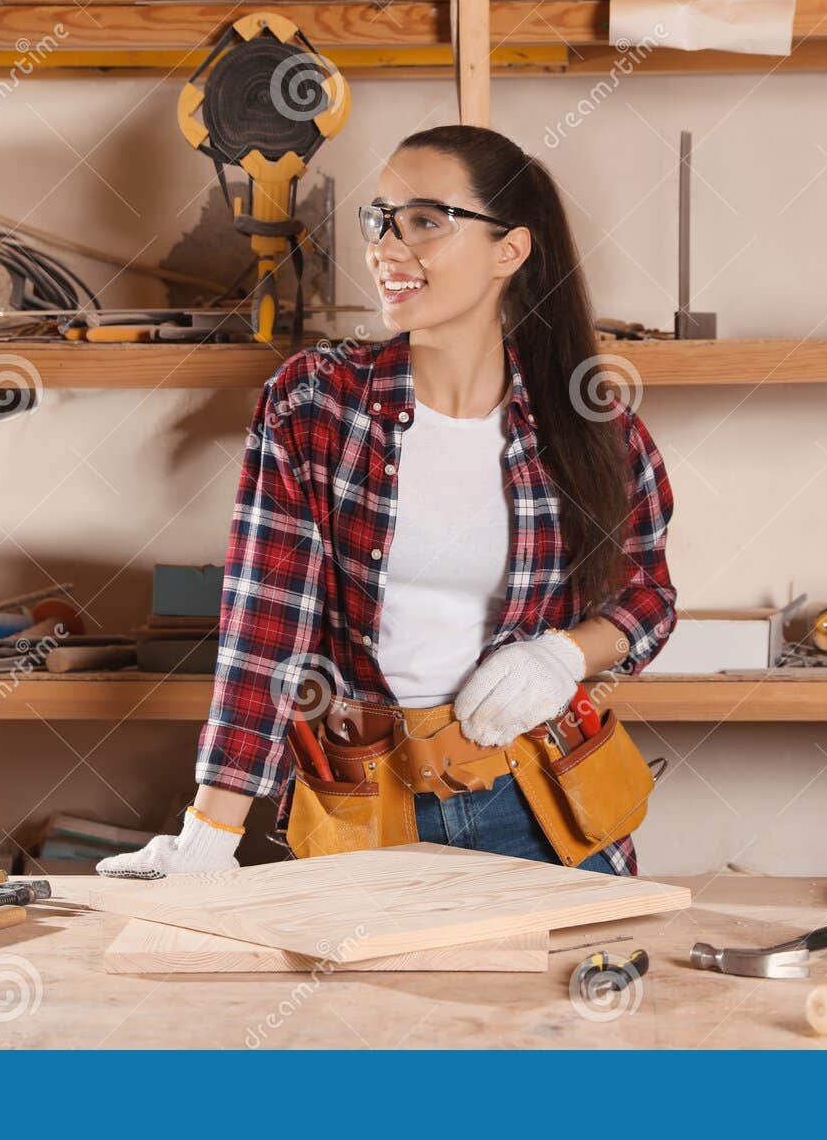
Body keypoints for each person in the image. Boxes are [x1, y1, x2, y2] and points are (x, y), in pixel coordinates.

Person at [98, 124, 676, 880]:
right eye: (381, 220)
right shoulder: (316, 403)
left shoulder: (590, 422)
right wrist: (208, 834)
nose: (385, 249)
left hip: (544, 804)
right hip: (371, 810)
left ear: (509, 250)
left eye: (425, 221)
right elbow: (265, 628)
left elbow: (647, 597)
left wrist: (562, 656)